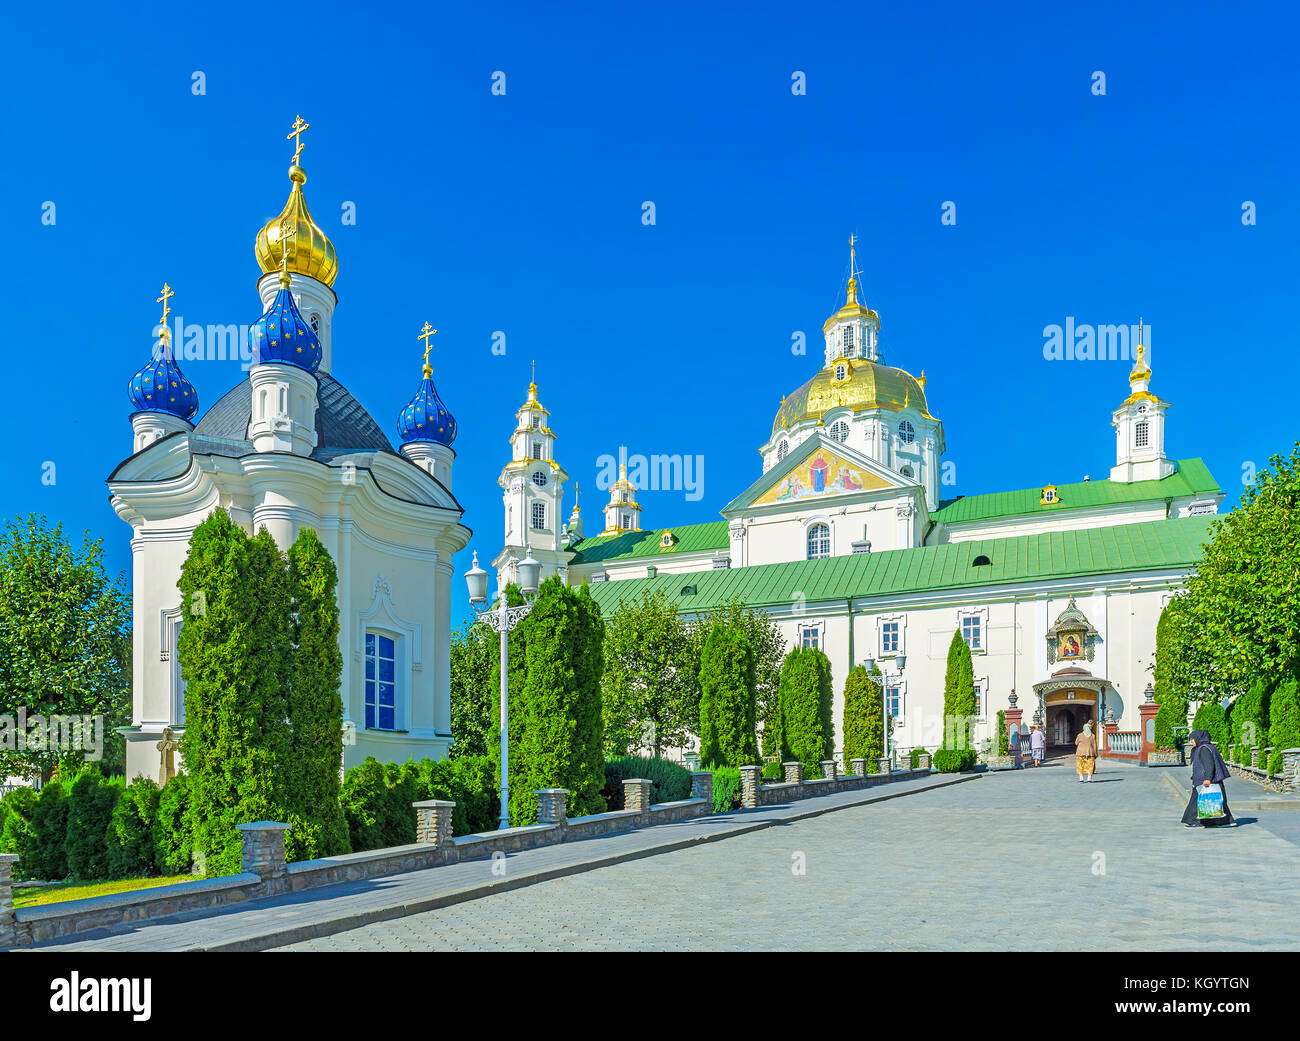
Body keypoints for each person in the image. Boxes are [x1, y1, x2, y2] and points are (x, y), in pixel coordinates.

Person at [1181, 729, 1235, 828]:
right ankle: (1224, 821)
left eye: (1192, 739)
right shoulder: (1206, 747)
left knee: (1197, 802)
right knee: (1216, 800)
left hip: (1206, 781)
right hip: (1208, 780)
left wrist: (1208, 778)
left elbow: (1209, 764)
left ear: (1198, 738)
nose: (1191, 742)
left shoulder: (1204, 749)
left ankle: (1195, 821)